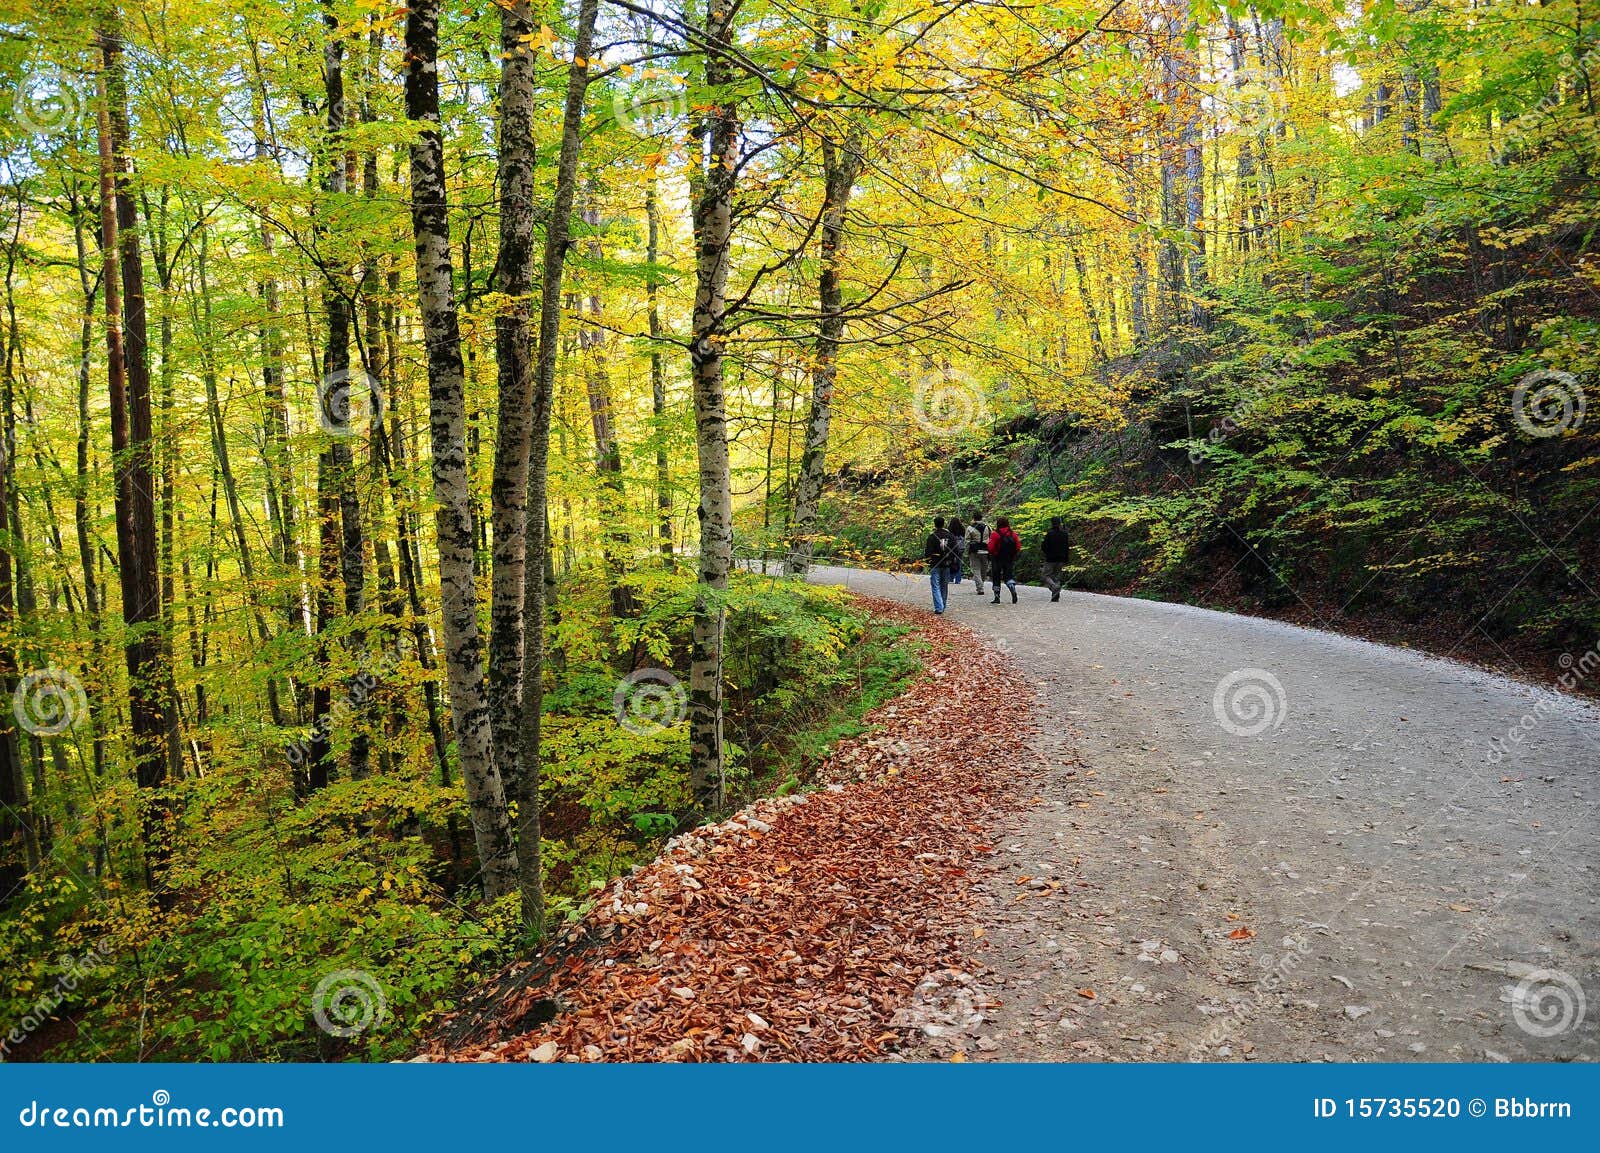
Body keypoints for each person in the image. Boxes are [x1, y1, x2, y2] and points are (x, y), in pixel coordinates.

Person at [923, 516, 959, 614]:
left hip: (935, 564)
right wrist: (952, 561)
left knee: (935, 585)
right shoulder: (951, 536)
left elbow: (928, 552)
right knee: (944, 585)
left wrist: (928, 561)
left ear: (935, 524)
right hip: (947, 564)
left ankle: (939, 607)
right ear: (944, 524)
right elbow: (956, 550)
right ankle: (942, 604)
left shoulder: (932, 537)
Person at [988, 517, 1020, 604]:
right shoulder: (1013, 534)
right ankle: (1011, 587)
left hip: (997, 558)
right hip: (1009, 558)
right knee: (1008, 576)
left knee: (996, 576)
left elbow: (990, 548)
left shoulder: (995, 534)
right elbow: (1018, 546)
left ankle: (997, 597)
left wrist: (993, 553)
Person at [1041, 516, 1070, 602]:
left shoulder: (1049, 533)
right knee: (1057, 577)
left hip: (1050, 559)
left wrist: (1047, 553)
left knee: (1046, 576)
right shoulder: (1065, 534)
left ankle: (1054, 587)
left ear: (1052, 523)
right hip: (1061, 559)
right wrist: (1066, 558)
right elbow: (1067, 547)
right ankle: (1055, 595)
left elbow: (1044, 546)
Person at [966, 511, 989, 594]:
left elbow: (967, 541)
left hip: (974, 551)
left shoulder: (970, 528)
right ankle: (981, 584)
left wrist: (966, 552)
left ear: (973, 518)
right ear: (981, 518)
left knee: (976, 569)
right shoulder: (988, 527)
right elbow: (991, 538)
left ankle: (980, 588)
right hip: (986, 550)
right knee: (984, 569)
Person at [947, 516, 967, 584]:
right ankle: (958, 579)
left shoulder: (949, 530)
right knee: (959, 563)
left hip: (952, 548)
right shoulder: (962, 529)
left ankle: (950, 577)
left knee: (951, 562)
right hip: (960, 548)